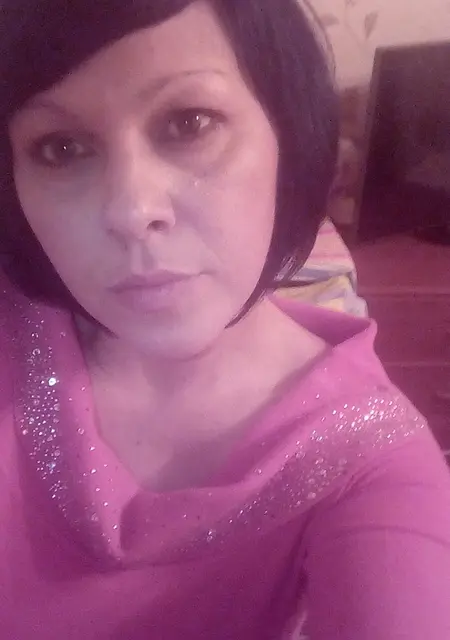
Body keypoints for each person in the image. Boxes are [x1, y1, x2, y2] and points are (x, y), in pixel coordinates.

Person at [0, 1, 449, 638]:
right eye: (61, 148)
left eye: (189, 123)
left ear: (288, 133)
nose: (131, 211)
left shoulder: (367, 461)